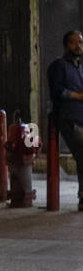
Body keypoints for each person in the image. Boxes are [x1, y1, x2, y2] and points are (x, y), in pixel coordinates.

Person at [48, 29, 83, 210]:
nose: (78, 46)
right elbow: (56, 91)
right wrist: (77, 96)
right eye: (74, 42)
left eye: (80, 42)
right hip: (68, 118)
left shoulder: (79, 68)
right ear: (65, 45)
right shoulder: (58, 66)